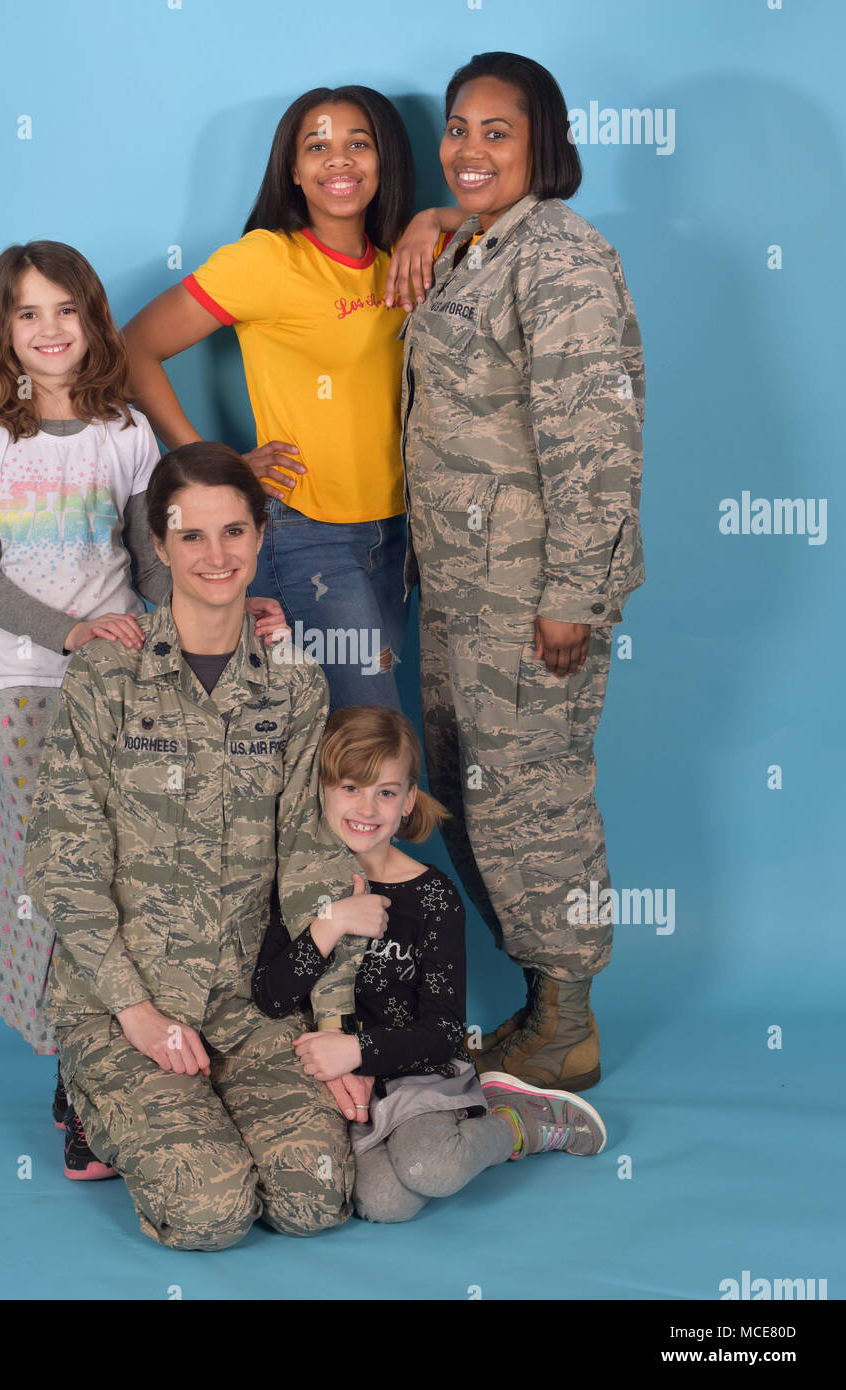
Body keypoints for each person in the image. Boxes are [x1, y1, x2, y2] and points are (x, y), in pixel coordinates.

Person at [0, 241, 286, 1175]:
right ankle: (70, 1073)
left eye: (67, 310)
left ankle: (104, 1074)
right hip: (27, 678)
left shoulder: (127, 429)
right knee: (53, 870)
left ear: (94, 321)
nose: (50, 330)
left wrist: (225, 606)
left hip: (121, 675)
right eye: (28, 313)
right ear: (3, 332)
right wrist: (69, 633)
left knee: (127, 864)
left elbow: (148, 565)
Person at [24, 441, 391, 1249]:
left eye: (234, 532)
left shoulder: (295, 687)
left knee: (315, 1199)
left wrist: (333, 1026)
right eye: (191, 535)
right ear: (158, 544)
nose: (215, 555)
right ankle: (93, 1094)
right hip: (124, 1001)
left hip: (250, 999)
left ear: (262, 536)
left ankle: (214, 1107)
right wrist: (135, 1012)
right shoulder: (106, 677)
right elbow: (63, 857)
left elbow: (314, 862)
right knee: (212, 1212)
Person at [396, 53, 645, 1091]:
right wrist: (431, 222)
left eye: (496, 131)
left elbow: (594, 440)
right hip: (460, 593)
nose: (467, 148)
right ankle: (542, 1006)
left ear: (544, 142)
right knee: (469, 793)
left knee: (533, 806)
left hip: (530, 599)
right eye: (456, 128)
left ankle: (566, 1022)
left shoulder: (562, 257)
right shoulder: (480, 246)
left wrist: (571, 597)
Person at [123, 87, 462, 712]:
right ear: (294, 170)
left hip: (400, 535)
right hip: (307, 533)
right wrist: (210, 464)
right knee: (368, 731)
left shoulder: (408, 257)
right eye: (318, 147)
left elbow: (511, 221)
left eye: (357, 144)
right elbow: (132, 350)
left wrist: (433, 219)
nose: (339, 161)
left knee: (352, 743)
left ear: (383, 159)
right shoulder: (267, 260)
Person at [252, 705, 607, 1224]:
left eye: (386, 792)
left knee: (430, 1168)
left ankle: (518, 1122)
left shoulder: (434, 896)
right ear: (322, 790)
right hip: (343, 1092)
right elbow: (270, 995)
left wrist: (357, 1048)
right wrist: (330, 925)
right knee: (381, 1204)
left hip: (415, 1073)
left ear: (407, 801)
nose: (367, 807)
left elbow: (443, 1032)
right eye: (351, 787)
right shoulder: (299, 886)